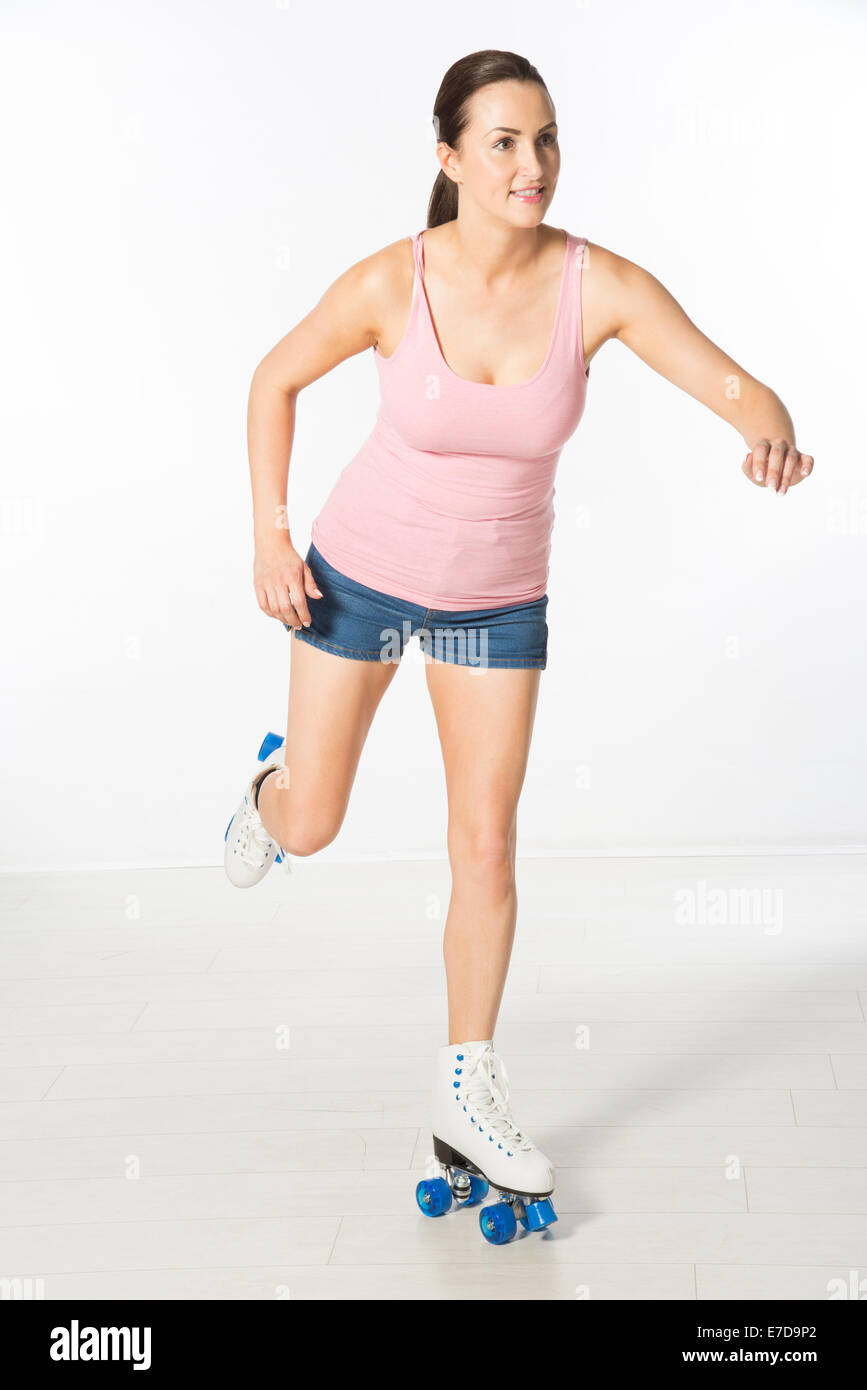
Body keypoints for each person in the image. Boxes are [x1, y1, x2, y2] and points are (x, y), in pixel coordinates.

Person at [223, 49, 815, 1243]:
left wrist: (773, 431)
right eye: (501, 142)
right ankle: (267, 792)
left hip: (498, 605)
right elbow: (272, 380)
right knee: (316, 822)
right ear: (449, 157)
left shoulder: (597, 284)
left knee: (486, 843)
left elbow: (732, 381)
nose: (530, 164)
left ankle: (467, 1082)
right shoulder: (396, 281)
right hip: (356, 578)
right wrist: (273, 539)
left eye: (544, 139)